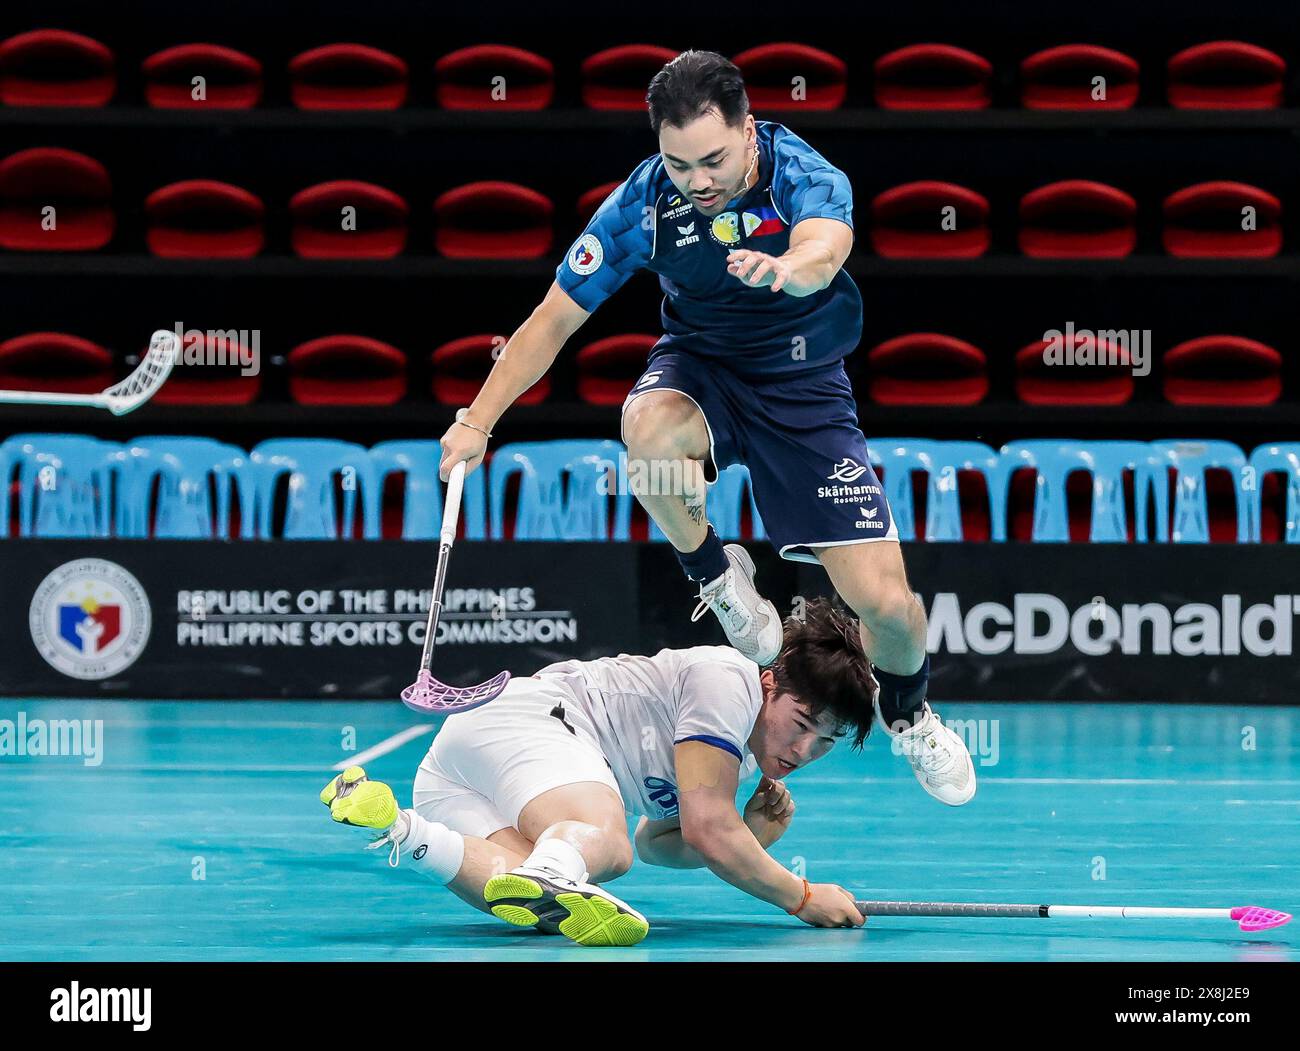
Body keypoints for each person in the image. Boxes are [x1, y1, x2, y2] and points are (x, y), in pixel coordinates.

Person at [435, 49, 974, 806]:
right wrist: (476, 421)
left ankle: (911, 714)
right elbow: (553, 318)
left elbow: (827, 247)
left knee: (888, 606)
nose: (699, 181)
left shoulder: (802, 174)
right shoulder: (642, 205)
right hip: (702, 368)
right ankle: (718, 578)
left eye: (714, 160)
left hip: (803, 389)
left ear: (749, 128)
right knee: (647, 433)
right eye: (679, 163)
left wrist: (793, 268)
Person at [321, 599, 874, 947]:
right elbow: (707, 832)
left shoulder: (741, 753)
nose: (804, 749)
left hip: (456, 772)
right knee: (604, 847)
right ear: (772, 683)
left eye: (827, 740)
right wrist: (800, 896)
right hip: (531, 721)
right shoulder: (729, 681)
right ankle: (556, 867)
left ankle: (401, 831)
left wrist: (746, 830)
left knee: (534, 904)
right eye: (802, 723)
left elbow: (659, 842)